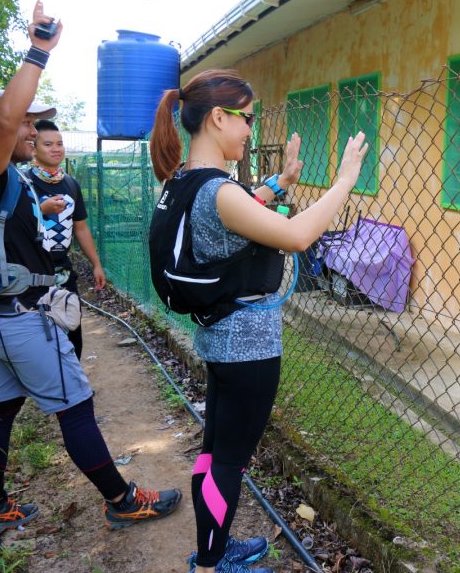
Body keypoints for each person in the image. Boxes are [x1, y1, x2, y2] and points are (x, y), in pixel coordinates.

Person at [0, 0, 180, 538]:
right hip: (20, 318)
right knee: (76, 405)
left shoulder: (4, 180)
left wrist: (44, 209)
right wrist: (38, 50)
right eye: (27, 124)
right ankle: (122, 500)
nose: (32, 131)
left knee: (0, 409)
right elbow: (6, 120)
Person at [148, 69, 368, 573]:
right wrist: (344, 182)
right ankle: (211, 563)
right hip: (249, 349)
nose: (251, 130)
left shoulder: (184, 181)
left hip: (220, 339)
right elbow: (295, 236)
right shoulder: (219, 191)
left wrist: (281, 183)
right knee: (229, 461)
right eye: (247, 118)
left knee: (214, 452)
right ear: (217, 118)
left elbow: (243, 209)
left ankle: (215, 548)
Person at [30, 119, 105, 358]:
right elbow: (11, 224)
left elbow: (80, 228)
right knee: (39, 338)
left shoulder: (71, 184)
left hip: (64, 274)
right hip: (30, 275)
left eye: (59, 144)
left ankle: (72, 379)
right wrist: (41, 210)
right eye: (48, 144)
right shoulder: (24, 183)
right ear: (33, 148)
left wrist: (96, 264)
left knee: (73, 335)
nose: (56, 149)